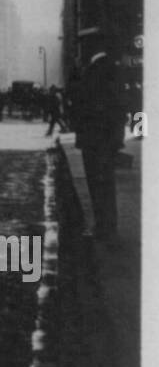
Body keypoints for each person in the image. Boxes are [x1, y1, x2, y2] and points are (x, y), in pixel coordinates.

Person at [73, 39, 127, 239]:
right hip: (103, 137)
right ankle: (105, 226)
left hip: (96, 138)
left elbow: (89, 104)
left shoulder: (97, 70)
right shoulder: (105, 68)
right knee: (103, 183)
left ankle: (104, 227)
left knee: (98, 183)